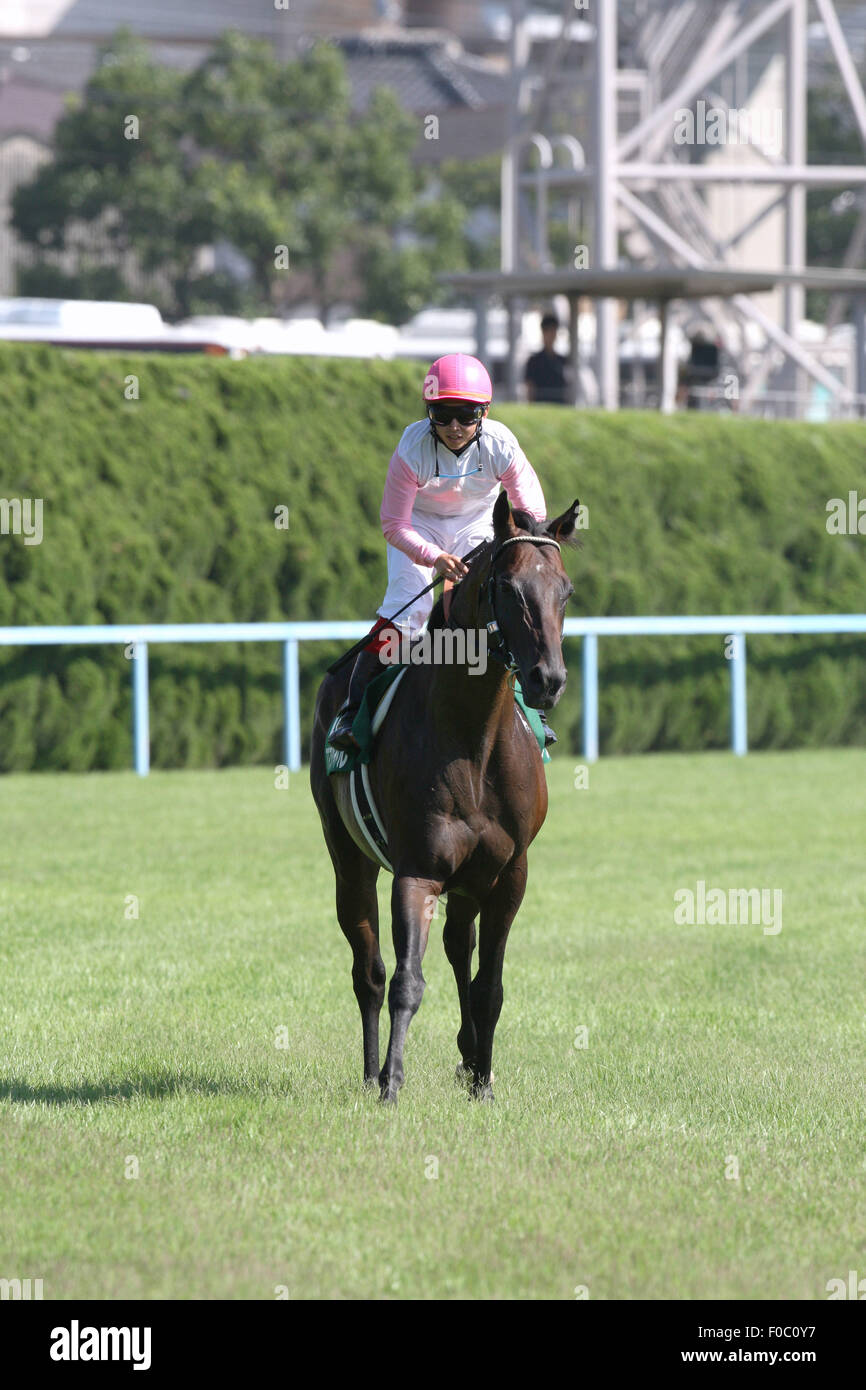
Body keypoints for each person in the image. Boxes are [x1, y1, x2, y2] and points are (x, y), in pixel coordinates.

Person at [328, 352, 558, 750]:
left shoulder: (502, 445)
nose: (454, 426)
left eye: (466, 415)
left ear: (484, 413)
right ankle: (351, 711)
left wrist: (513, 548)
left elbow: (533, 513)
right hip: (419, 526)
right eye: (442, 414)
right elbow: (393, 524)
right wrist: (433, 557)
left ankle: (531, 711)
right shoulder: (412, 447)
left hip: (479, 524)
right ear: (428, 412)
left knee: (496, 610)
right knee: (406, 615)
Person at [524, 313, 569, 404]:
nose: (551, 335)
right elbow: (530, 388)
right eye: (548, 331)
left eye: (553, 331)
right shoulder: (534, 361)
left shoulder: (563, 360)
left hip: (560, 405)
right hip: (540, 405)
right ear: (543, 333)